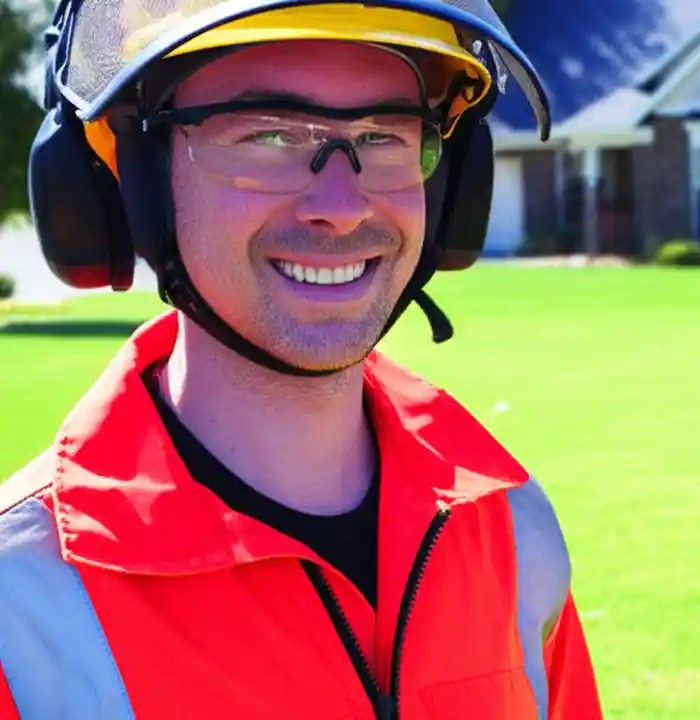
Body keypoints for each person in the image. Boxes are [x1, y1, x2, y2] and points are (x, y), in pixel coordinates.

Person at [0, 1, 602, 718]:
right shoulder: (25, 600)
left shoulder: (512, 525)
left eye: (382, 135)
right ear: (131, 177)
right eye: (270, 134)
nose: (342, 206)